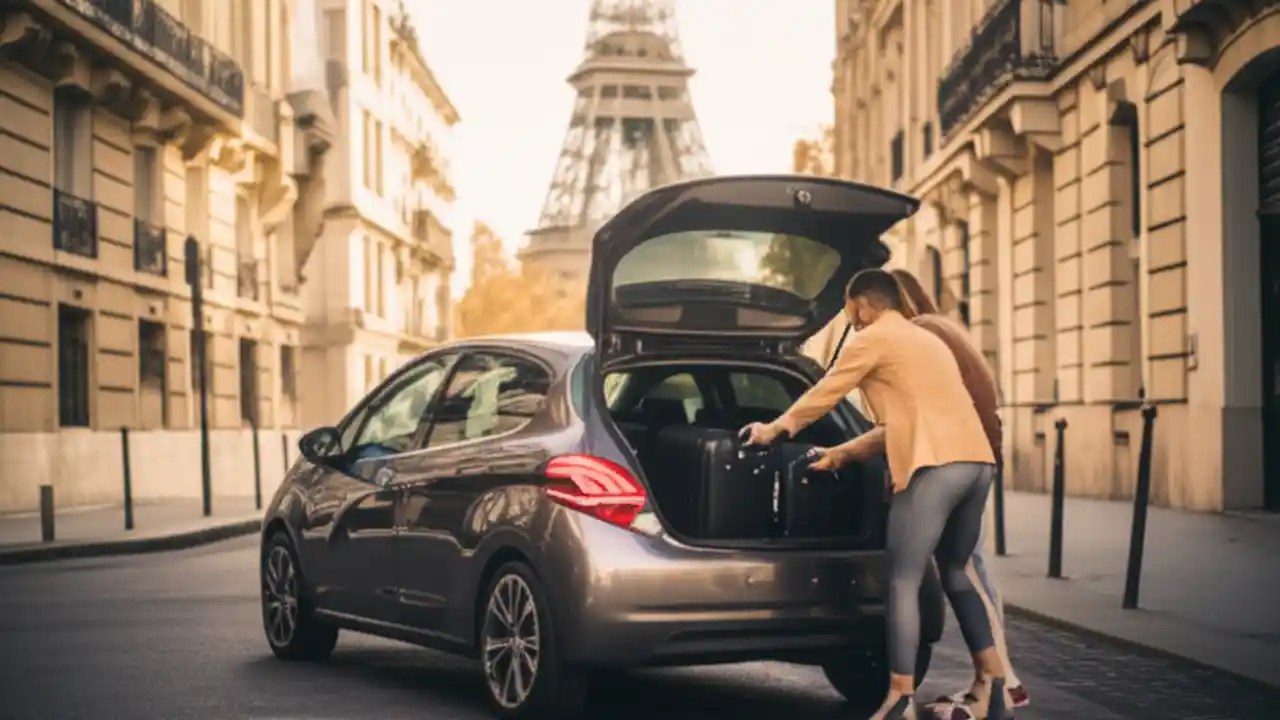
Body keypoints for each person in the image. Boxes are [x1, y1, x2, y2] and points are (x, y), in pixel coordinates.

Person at [741, 269, 1010, 720]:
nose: (850, 317)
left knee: (902, 580)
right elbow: (895, 426)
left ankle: (900, 699)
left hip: (934, 468)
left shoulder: (870, 338)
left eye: (849, 309)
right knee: (957, 573)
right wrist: (842, 454)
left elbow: (825, 392)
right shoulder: (924, 341)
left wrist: (776, 428)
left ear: (859, 305)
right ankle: (994, 685)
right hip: (975, 465)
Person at [887, 269, 1029, 712]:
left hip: (954, 461)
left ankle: (1002, 681)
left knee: (964, 570)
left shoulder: (922, 335)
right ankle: (995, 680)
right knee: (971, 567)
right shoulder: (946, 328)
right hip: (976, 459)